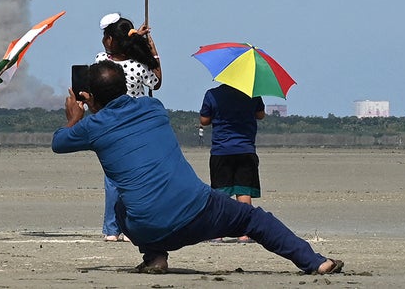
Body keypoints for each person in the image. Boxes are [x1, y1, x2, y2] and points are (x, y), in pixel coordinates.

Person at [52, 61, 344, 276]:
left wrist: (74, 116)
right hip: (197, 210)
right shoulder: (154, 108)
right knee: (254, 219)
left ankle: (154, 257)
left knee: (121, 208)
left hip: (147, 228)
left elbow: (59, 142)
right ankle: (315, 262)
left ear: (88, 96)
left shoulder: (90, 127)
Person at [94, 13, 161, 242]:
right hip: (135, 127)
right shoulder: (138, 67)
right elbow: (157, 82)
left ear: (111, 40)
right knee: (134, 181)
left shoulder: (101, 60)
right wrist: (150, 48)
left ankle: (111, 229)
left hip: (109, 127)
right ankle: (131, 227)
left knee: (112, 180)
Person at [200, 83, 266, 241]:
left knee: (221, 193)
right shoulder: (252, 93)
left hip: (221, 150)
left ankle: (219, 233)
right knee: (244, 191)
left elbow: (204, 120)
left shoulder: (212, 94)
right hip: (245, 149)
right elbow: (261, 114)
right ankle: (245, 233)